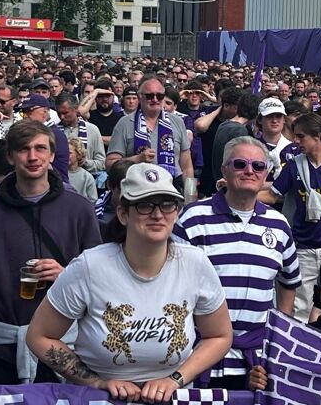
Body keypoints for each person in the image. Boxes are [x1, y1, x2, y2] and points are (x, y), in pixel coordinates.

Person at [26, 163, 232, 403]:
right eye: (144, 205)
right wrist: (96, 382)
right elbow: (39, 336)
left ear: (176, 212)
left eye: (167, 204)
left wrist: (174, 379)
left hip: (171, 397)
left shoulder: (195, 263)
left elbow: (219, 336)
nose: (157, 214)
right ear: (123, 214)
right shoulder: (89, 266)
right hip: (99, 399)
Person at [0, 119, 102, 385]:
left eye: (40, 148)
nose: (33, 156)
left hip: (67, 351)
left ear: (51, 155)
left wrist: (66, 275)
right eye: (24, 149)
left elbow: (102, 281)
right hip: (2, 350)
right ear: (11, 156)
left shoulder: (80, 210)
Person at [174, 137, 299, 388]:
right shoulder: (193, 218)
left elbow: (288, 283)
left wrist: (277, 339)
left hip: (256, 363)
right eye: (240, 164)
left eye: (258, 166)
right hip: (197, 355)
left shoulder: (279, 225)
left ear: (267, 174)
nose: (250, 171)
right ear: (224, 170)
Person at [263, 113, 321, 321]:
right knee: (301, 308)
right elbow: (272, 195)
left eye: (301, 137)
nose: (296, 142)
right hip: (303, 248)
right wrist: (239, 194)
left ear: (317, 136)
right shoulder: (295, 165)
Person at [107, 76, 196, 200]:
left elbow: (187, 166)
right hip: (137, 194)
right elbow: (110, 164)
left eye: (159, 96)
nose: (155, 99)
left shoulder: (177, 122)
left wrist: (191, 196)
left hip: (172, 192)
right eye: (149, 96)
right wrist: (136, 159)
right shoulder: (124, 124)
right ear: (140, 97)